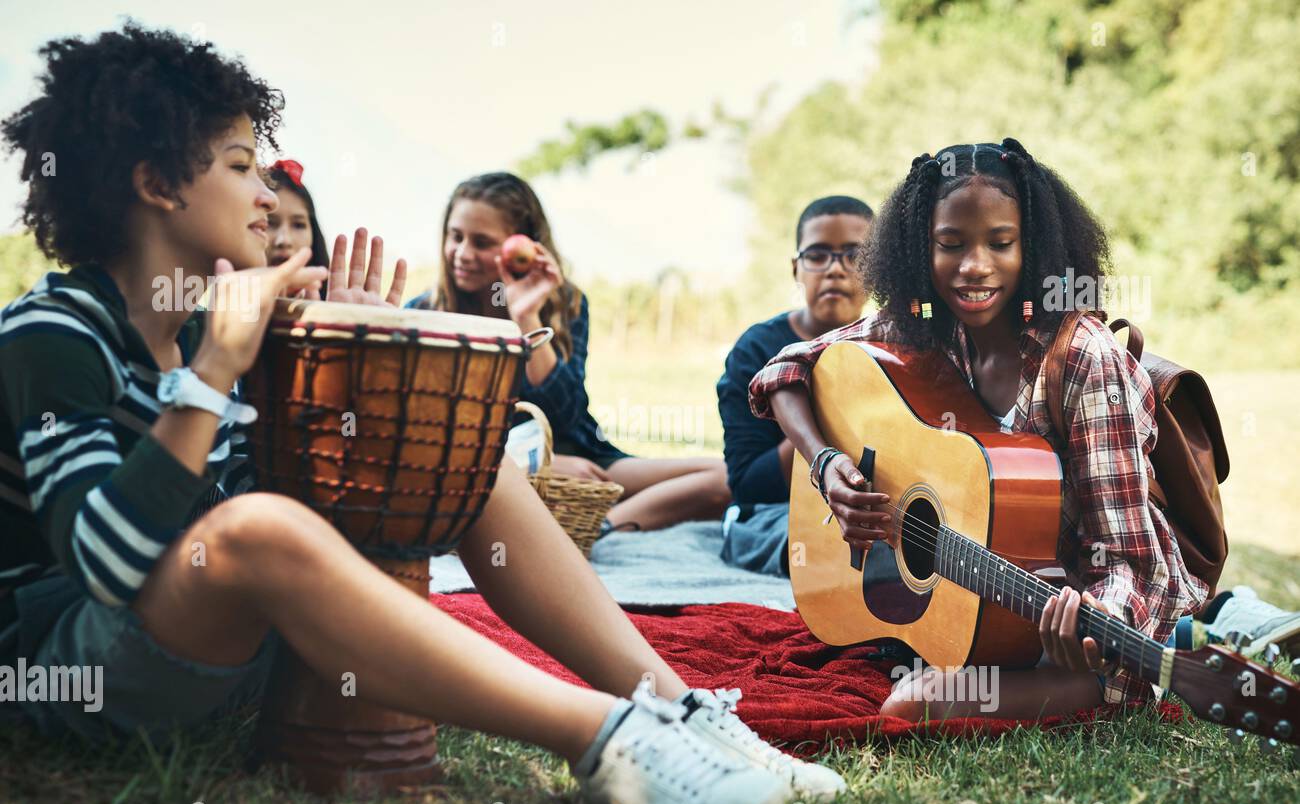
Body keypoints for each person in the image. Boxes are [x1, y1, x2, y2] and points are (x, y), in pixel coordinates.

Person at [0, 24, 843, 804]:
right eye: (240, 166)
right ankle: (612, 741)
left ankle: (681, 711)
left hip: (221, 654)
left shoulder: (203, 329)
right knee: (254, 532)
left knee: (463, 454)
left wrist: (357, 380)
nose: (267, 194)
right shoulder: (55, 334)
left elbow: (282, 485)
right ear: (158, 184)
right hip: (84, 669)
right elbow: (107, 566)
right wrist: (217, 367)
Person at [750, 140, 1209, 721]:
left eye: (1001, 243)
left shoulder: (1085, 361)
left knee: (912, 704)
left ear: (1036, 248)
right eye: (950, 244)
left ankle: (1186, 654)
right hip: (978, 614)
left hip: (1091, 635)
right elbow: (785, 369)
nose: (974, 266)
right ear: (920, 250)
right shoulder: (923, 326)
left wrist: (1096, 625)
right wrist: (823, 465)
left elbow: (1128, 565)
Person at [407, 172, 731, 535]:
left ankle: (598, 525)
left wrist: (526, 316)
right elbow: (421, 429)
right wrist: (530, 464)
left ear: (522, 245)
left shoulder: (566, 303)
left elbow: (566, 413)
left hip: (581, 456)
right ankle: (592, 524)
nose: (463, 254)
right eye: (456, 236)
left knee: (723, 477)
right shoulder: (425, 312)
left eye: (481, 242)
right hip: (484, 469)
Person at [716, 195, 873, 575]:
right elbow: (748, 485)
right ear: (795, 269)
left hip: (873, 507)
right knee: (816, 544)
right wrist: (828, 415)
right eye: (818, 256)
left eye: (854, 255)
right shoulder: (756, 349)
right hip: (774, 514)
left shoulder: (892, 344)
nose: (835, 270)